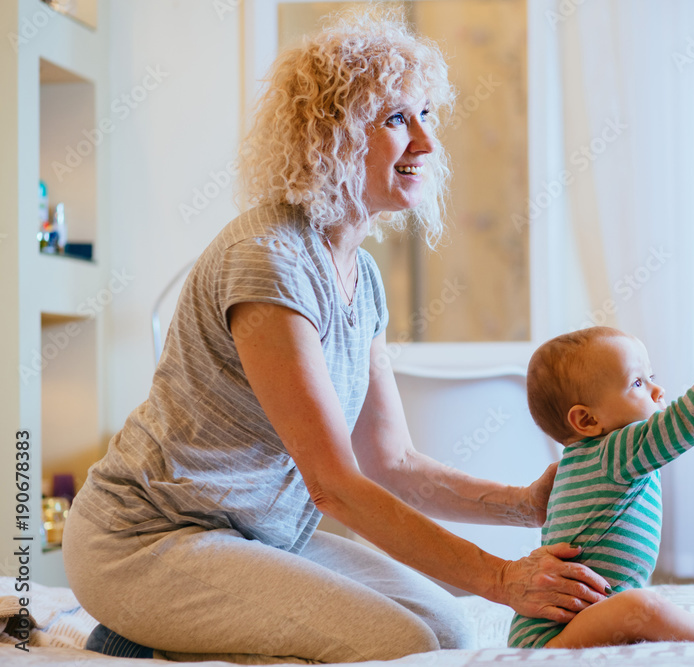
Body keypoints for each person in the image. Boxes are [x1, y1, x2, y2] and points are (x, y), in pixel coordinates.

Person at [62, 9, 611, 664]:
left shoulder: (363, 274)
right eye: (397, 119)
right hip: (147, 538)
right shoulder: (268, 258)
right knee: (399, 644)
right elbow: (336, 485)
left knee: (450, 629)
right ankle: (143, 625)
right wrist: (501, 577)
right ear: (330, 135)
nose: (428, 144)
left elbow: (391, 461)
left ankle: (154, 630)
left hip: (261, 536)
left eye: (427, 115)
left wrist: (524, 505)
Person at [508, 317, 694, 648]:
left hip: (584, 618)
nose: (657, 390)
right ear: (588, 419)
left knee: (664, 611)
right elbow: (690, 416)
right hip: (548, 638)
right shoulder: (614, 452)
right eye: (637, 383)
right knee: (642, 606)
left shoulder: (588, 460)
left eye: (651, 377)